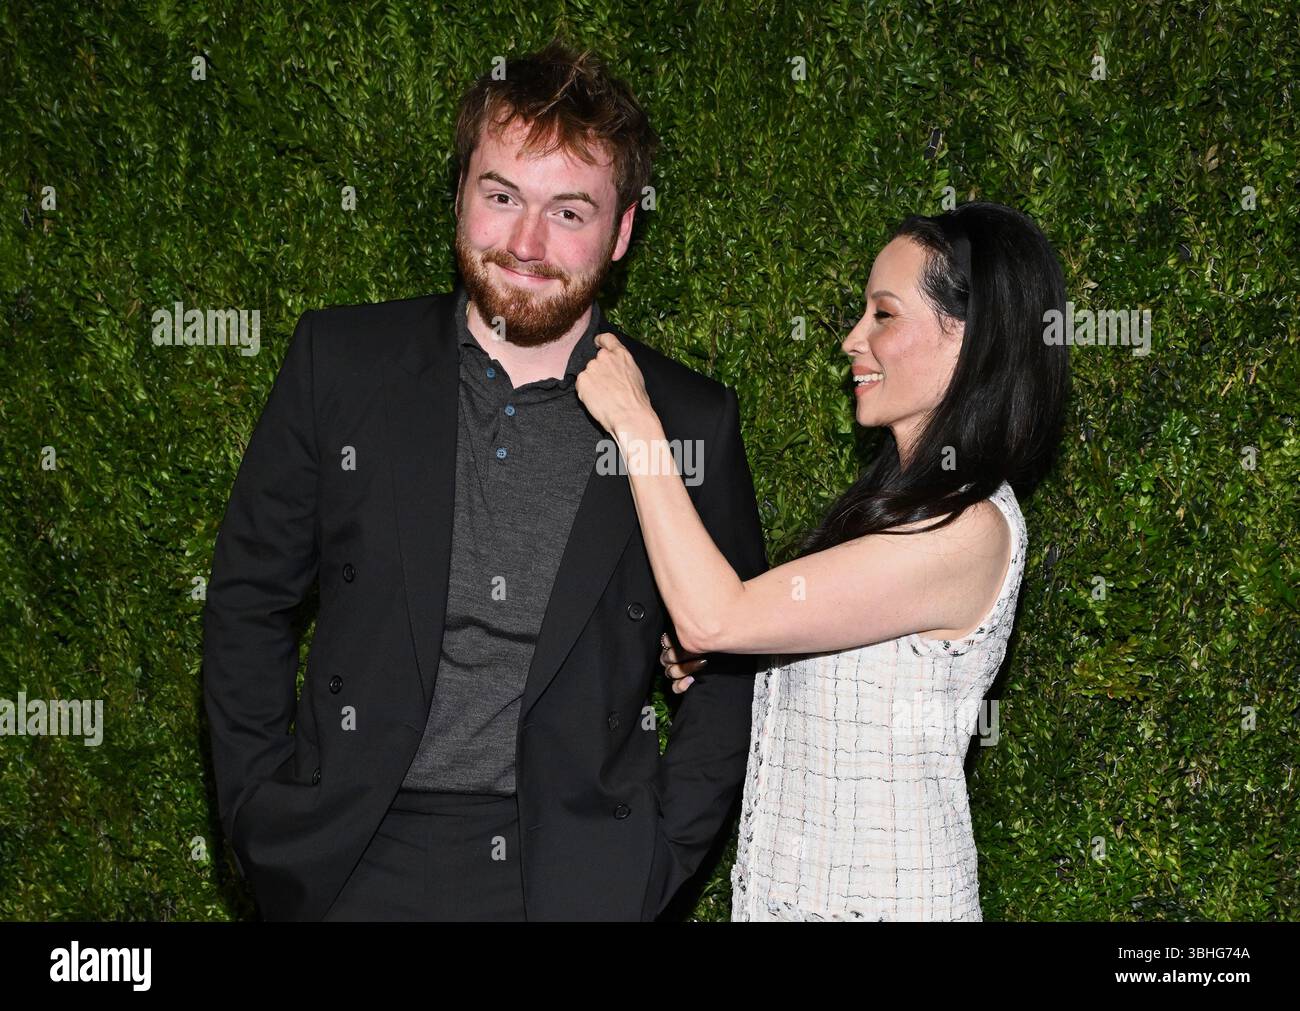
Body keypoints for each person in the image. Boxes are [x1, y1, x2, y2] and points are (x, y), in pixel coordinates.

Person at [202, 39, 768, 921]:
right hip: (347, 857)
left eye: (569, 212)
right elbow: (248, 598)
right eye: (502, 196)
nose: (527, 243)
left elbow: (733, 664)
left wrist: (653, 860)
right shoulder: (343, 362)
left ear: (622, 232)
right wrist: (258, 809)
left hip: (571, 876)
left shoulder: (687, 421)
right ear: (461, 195)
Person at [575, 201, 1070, 920]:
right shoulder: (897, 506)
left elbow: (717, 611)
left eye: (884, 315)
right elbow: (775, 637)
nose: (852, 339)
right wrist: (726, 656)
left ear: (970, 338)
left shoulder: (969, 527)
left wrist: (637, 425)